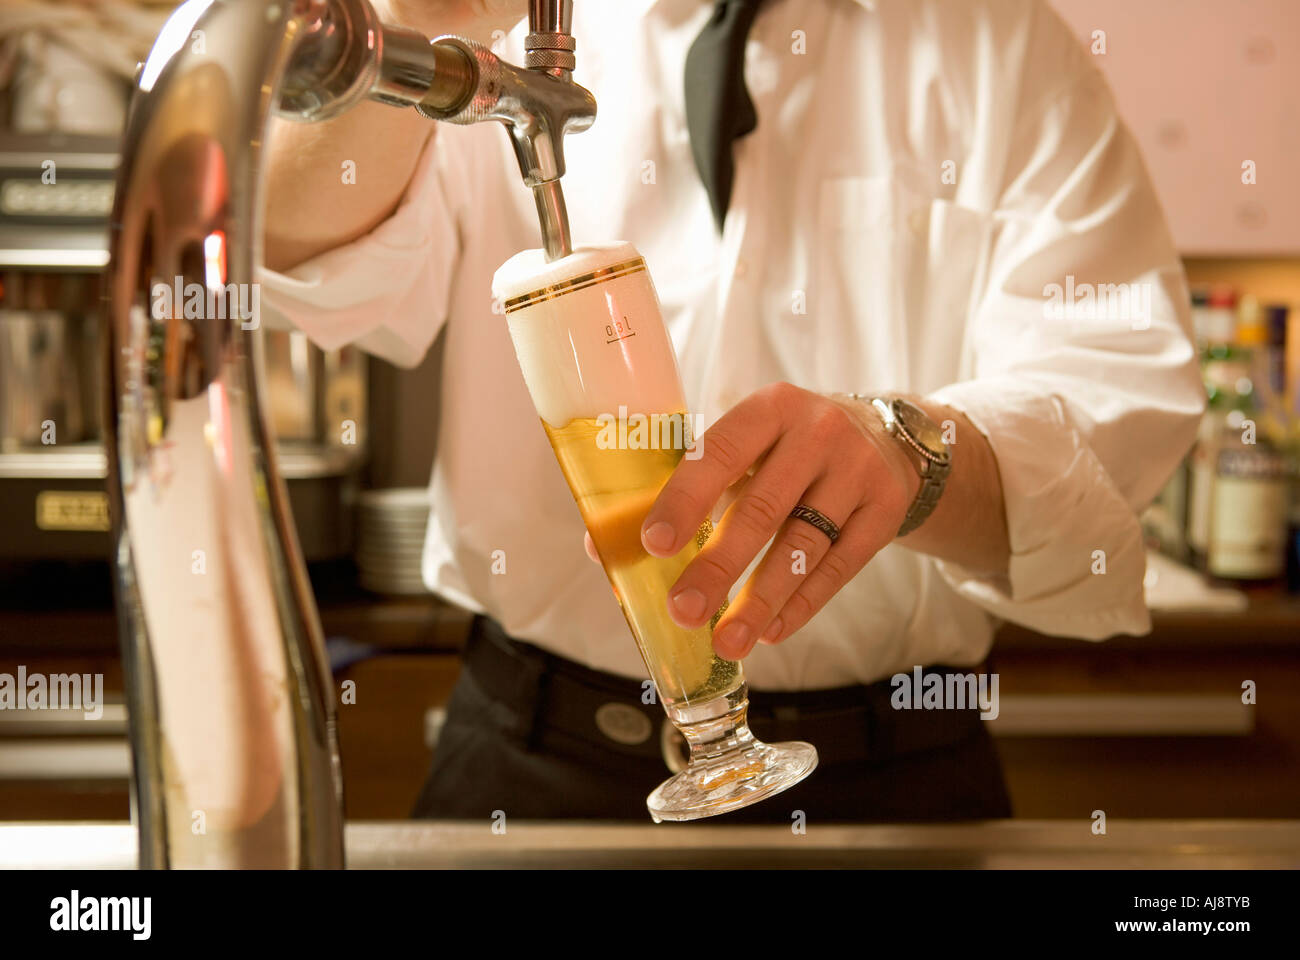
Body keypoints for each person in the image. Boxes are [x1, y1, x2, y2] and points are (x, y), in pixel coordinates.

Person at [260, 0, 1205, 822]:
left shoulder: (1003, 44)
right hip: (537, 756)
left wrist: (915, 457)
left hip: (892, 772)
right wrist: (427, 14)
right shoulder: (500, 22)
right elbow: (303, 265)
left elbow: (1117, 410)